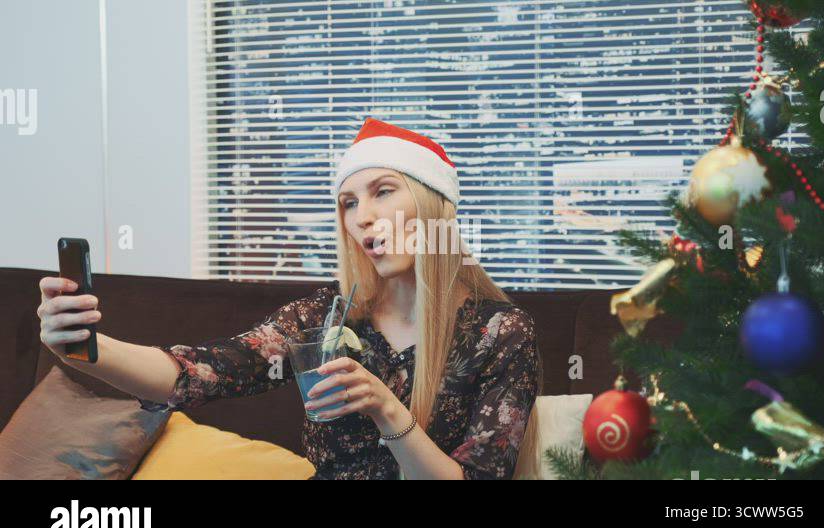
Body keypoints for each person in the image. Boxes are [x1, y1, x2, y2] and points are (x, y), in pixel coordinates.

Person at [37, 117, 543, 480]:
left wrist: (387, 410)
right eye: (348, 203)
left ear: (433, 206)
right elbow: (200, 373)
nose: (361, 216)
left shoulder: (499, 333)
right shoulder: (322, 317)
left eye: (382, 191)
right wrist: (87, 349)